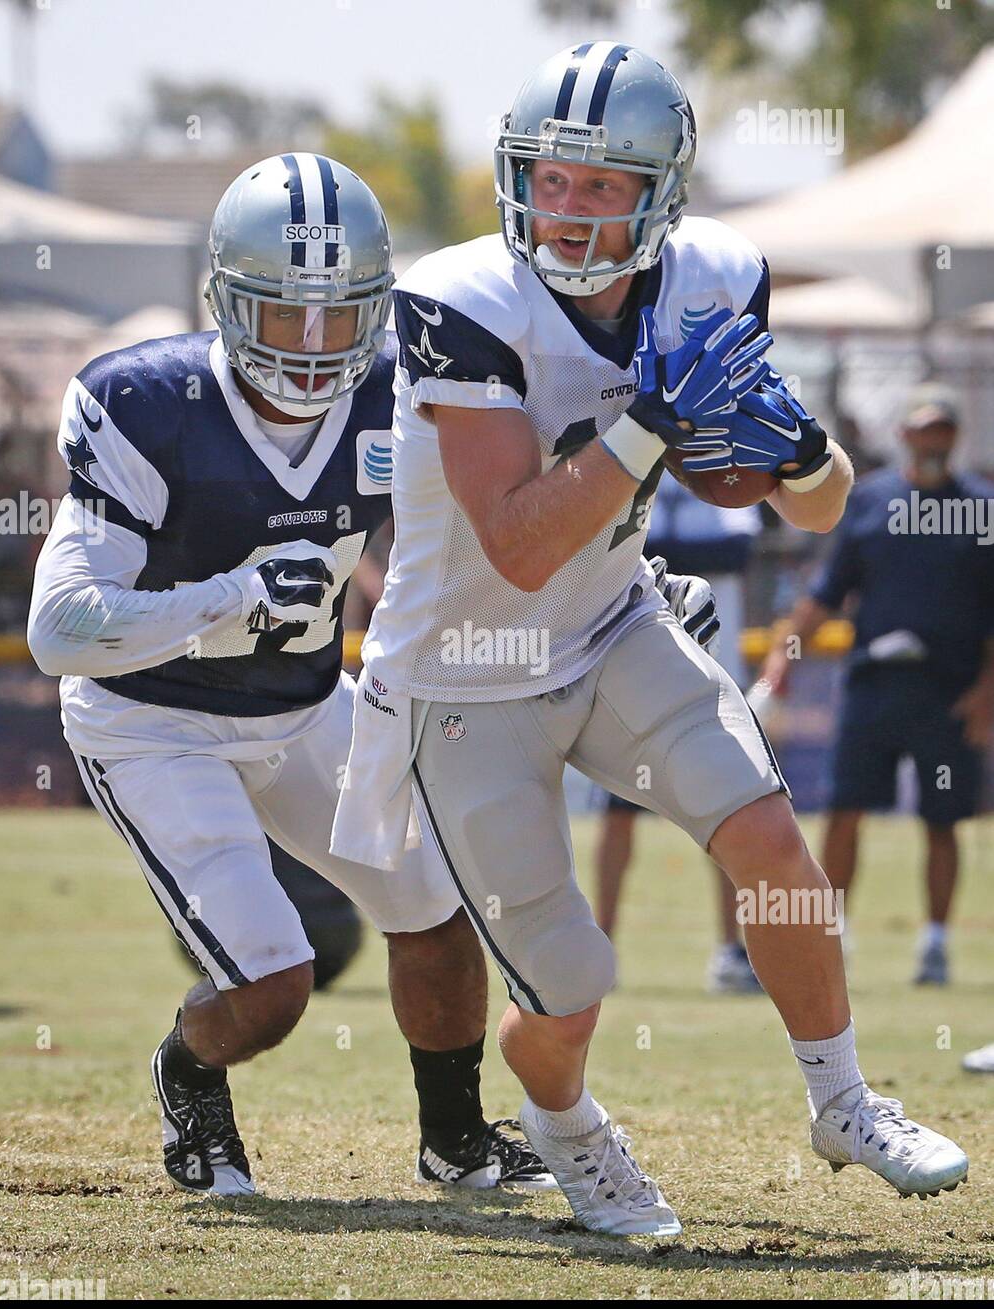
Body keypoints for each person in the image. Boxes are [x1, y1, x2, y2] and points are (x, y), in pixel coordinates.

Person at [331, 44, 969, 1236]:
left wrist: (803, 453)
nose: (566, 210)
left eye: (601, 184)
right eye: (550, 179)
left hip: (614, 622)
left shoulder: (714, 274)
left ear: (661, 193)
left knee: (774, 848)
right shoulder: (465, 298)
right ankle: (570, 1130)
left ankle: (842, 1097)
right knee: (569, 984)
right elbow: (518, 542)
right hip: (465, 670)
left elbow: (789, 499)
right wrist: (652, 423)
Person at [26, 153, 552, 1195]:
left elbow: (503, 534)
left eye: (339, 313)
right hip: (152, 722)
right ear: (225, 303)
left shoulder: (403, 393)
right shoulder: (147, 403)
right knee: (272, 988)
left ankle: (455, 1139)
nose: (314, 348)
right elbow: (60, 631)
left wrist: (625, 584)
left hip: (305, 705)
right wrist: (228, 595)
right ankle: (188, 1069)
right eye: (283, 314)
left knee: (439, 922)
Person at [759, 382, 994, 986]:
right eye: (923, 430)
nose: (932, 441)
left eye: (942, 430)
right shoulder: (870, 502)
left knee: (943, 819)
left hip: (950, 687)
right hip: (873, 683)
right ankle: (832, 933)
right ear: (904, 436)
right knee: (845, 808)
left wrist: (988, 691)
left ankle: (935, 942)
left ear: (954, 436)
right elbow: (827, 592)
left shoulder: (981, 509)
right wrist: (786, 654)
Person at [594, 471, 763, 992]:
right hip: (633, 668)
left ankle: (732, 951)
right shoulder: (622, 459)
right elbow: (597, 537)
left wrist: (651, 550)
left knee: (730, 813)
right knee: (618, 814)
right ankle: (601, 950)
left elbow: (737, 548)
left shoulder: (720, 473)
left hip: (711, 672)